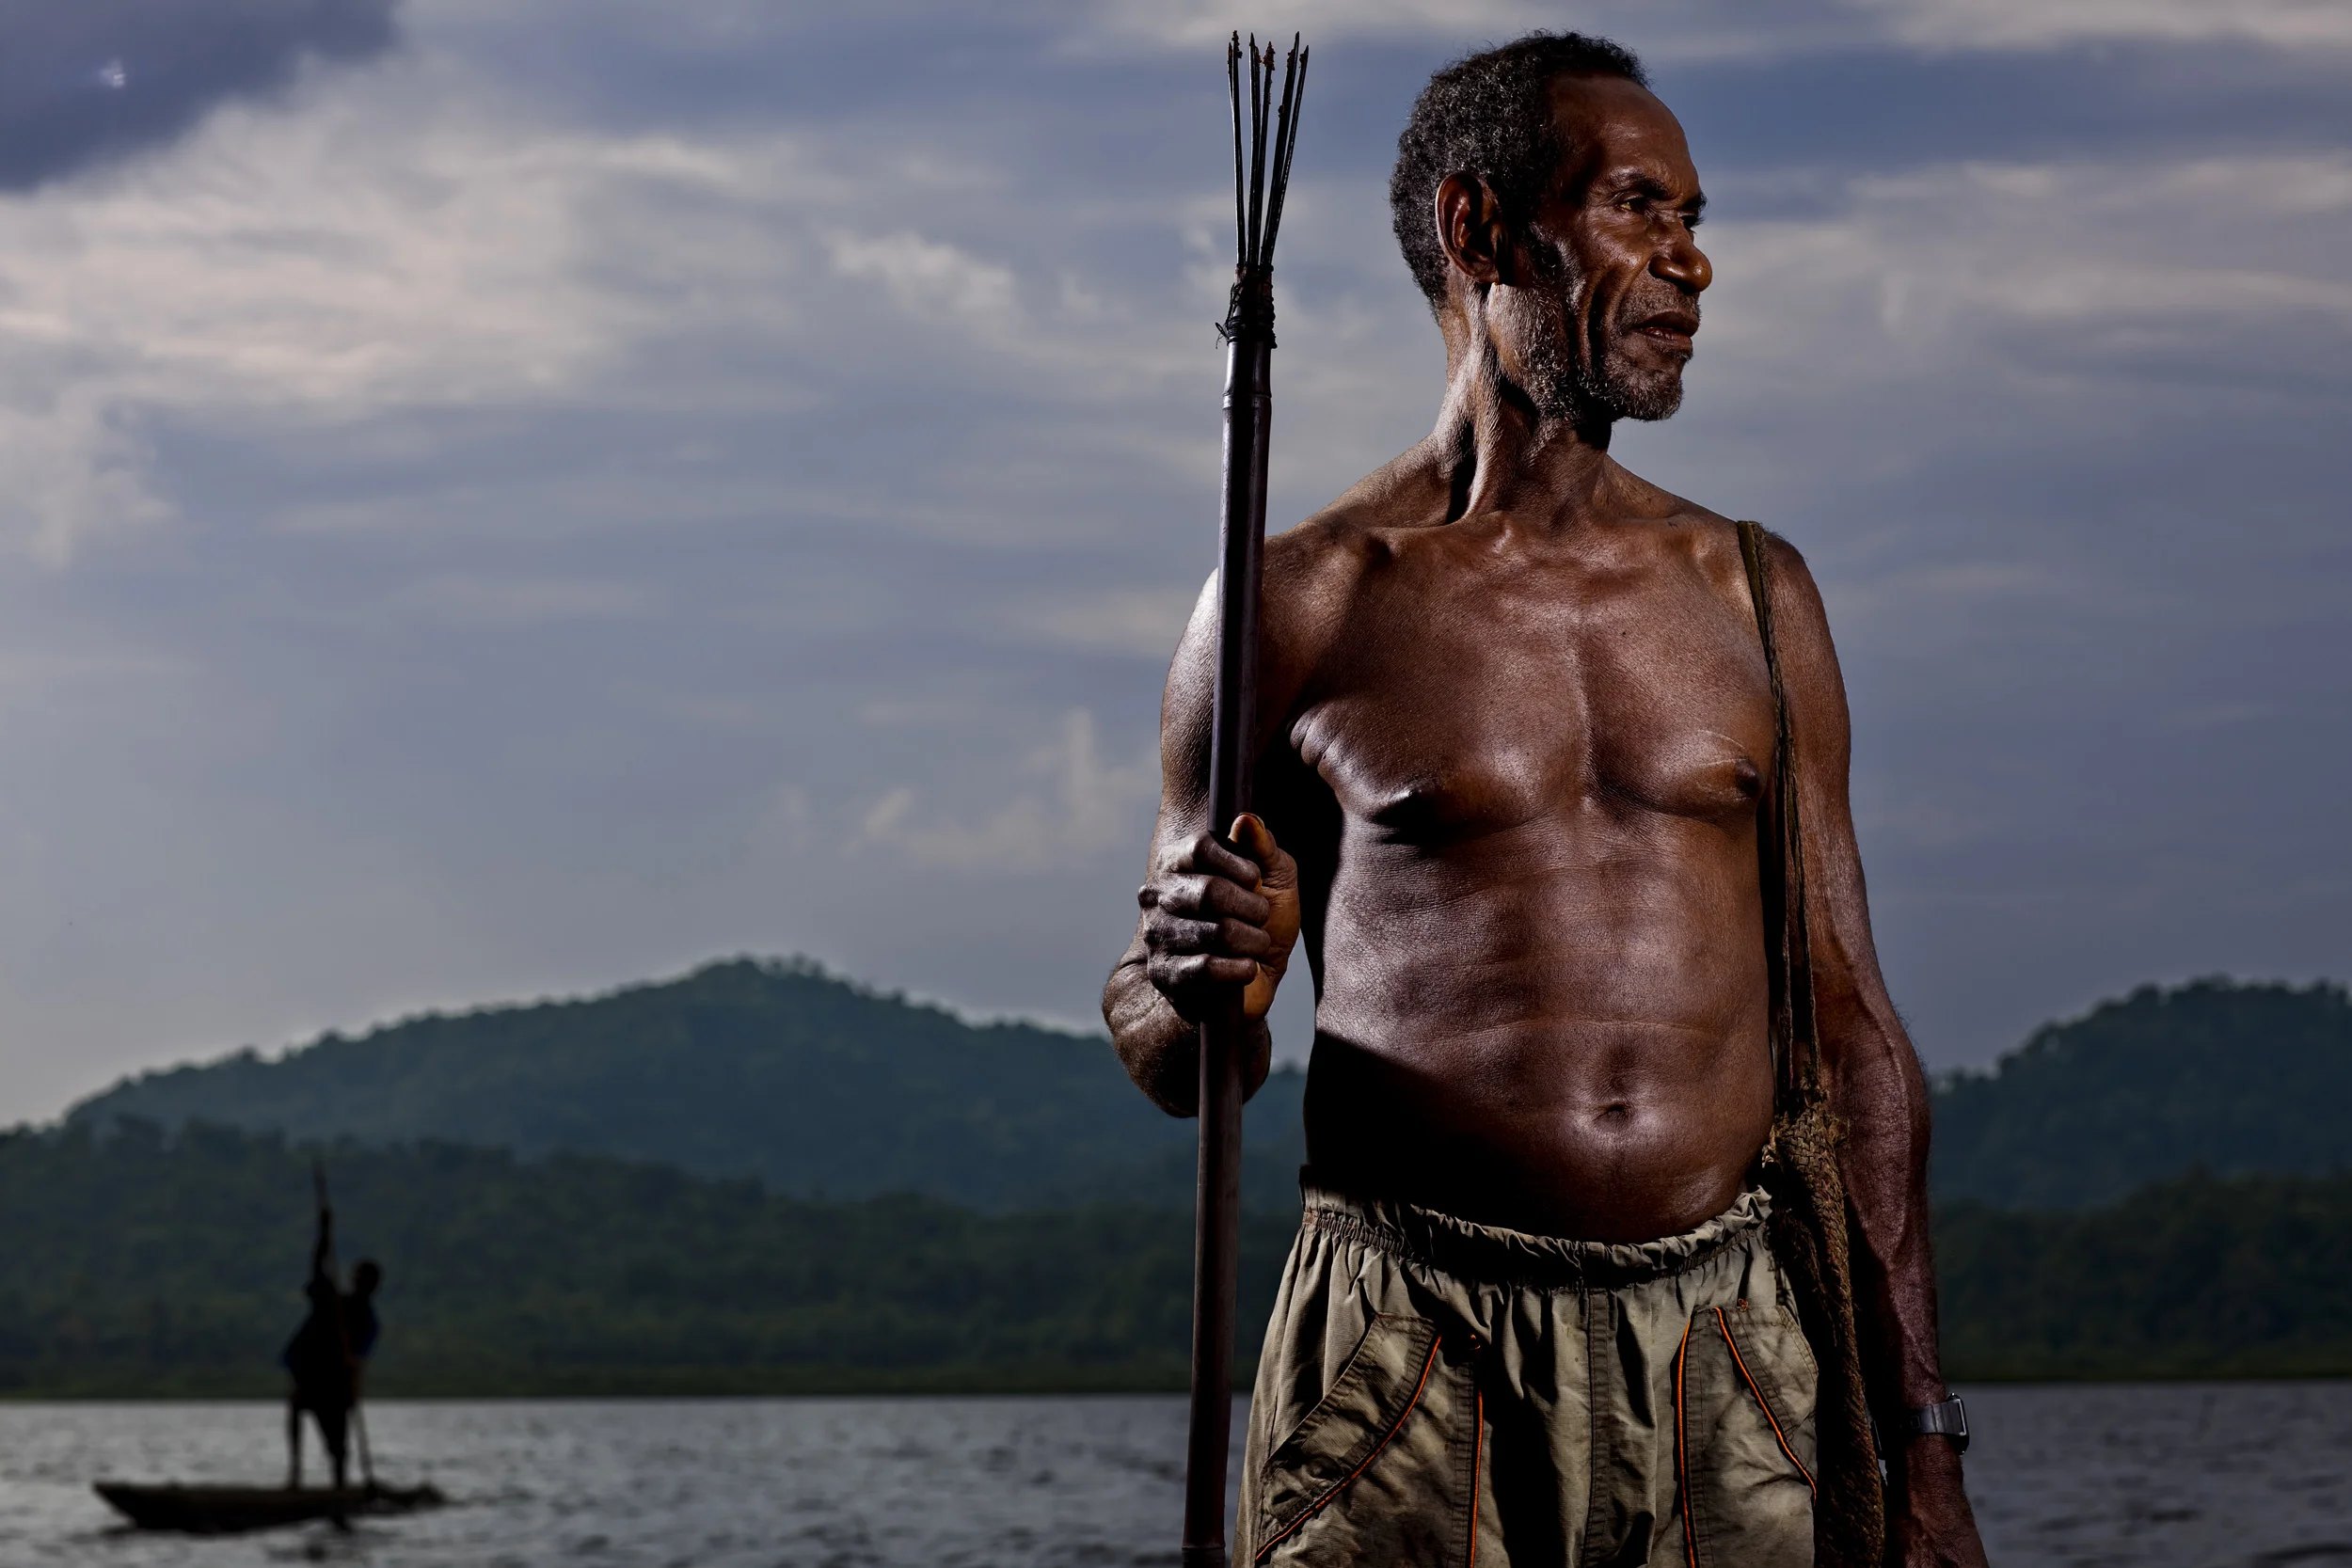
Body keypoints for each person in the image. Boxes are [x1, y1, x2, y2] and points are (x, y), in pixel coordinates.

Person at [1104, 32, 1989, 1568]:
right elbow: (1173, 1042)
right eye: (1638, 207)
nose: (1690, 262)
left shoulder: (1755, 597)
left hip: (1732, 1357)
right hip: (1408, 1356)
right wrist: (1205, 981)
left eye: (1694, 219)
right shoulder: (1297, 603)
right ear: (1479, 226)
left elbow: (1852, 1034)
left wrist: (1922, 1439)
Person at [282, 1200, 381, 1492]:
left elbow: (358, 1358)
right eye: (358, 1278)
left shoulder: (367, 1319)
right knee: (296, 1408)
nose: (361, 1284)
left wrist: (353, 1380)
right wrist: (324, 1233)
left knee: (337, 1445)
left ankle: (340, 1488)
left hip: (336, 1386)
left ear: (374, 1287)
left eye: (366, 1281)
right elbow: (317, 1267)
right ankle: (295, 1474)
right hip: (313, 1375)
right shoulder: (334, 1302)